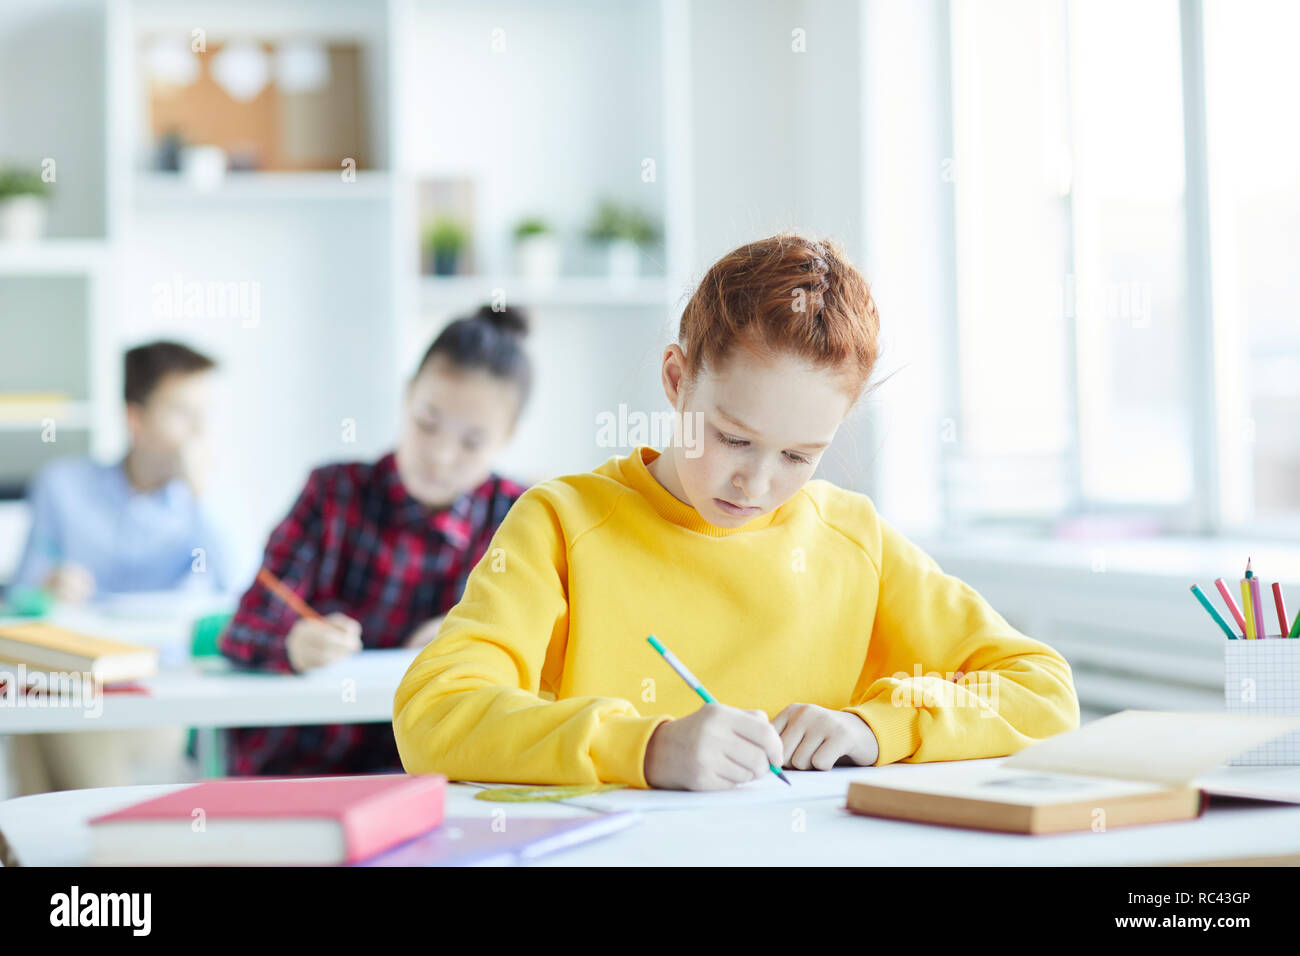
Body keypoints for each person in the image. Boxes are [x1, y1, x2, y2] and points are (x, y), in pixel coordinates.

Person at [393, 234, 1080, 790]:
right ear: (675, 379)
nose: (755, 483)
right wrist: (647, 747)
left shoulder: (853, 540)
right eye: (733, 439)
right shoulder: (563, 523)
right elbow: (434, 713)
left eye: (799, 456)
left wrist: (878, 729)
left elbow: (1044, 693)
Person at [219, 305, 532, 775]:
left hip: (438, 770)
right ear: (407, 397)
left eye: (471, 442)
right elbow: (243, 626)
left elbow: (547, 656)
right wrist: (293, 643)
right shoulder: (332, 493)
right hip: (300, 764)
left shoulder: (519, 516)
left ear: (507, 438)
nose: (441, 455)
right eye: (427, 423)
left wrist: (468, 642)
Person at [7, 340, 227, 796]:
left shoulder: (206, 504)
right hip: (68, 679)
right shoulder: (63, 486)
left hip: (160, 692)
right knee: (34, 709)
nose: (199, 431)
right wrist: (46, 589)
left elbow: (243, 593)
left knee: (59, 719)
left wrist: (203, 498)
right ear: (136, 420)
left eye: (205, 414)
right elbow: (17, 605)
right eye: (183, 413)